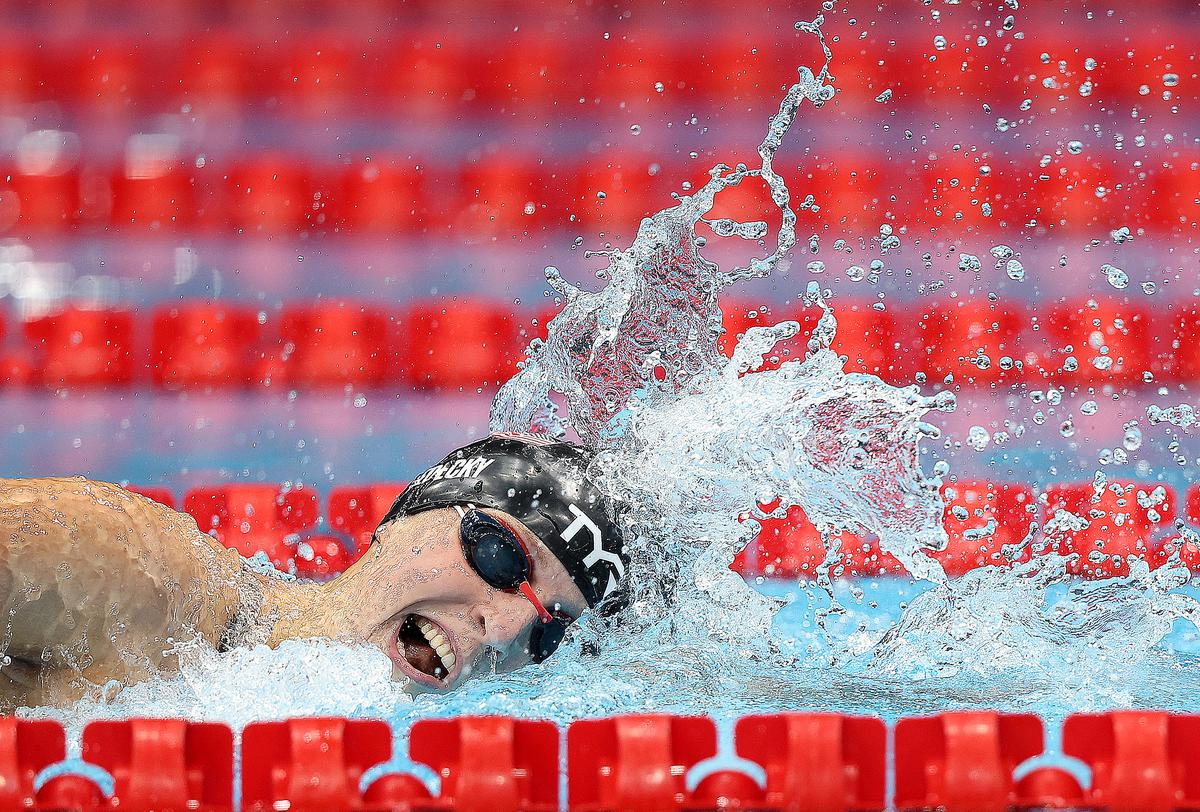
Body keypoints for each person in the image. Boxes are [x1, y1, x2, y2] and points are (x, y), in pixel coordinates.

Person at [0, 433, 627, 709]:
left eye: (551, 631)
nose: (504, 627)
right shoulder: (134, 572)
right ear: (415, 510)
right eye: (502, 556)